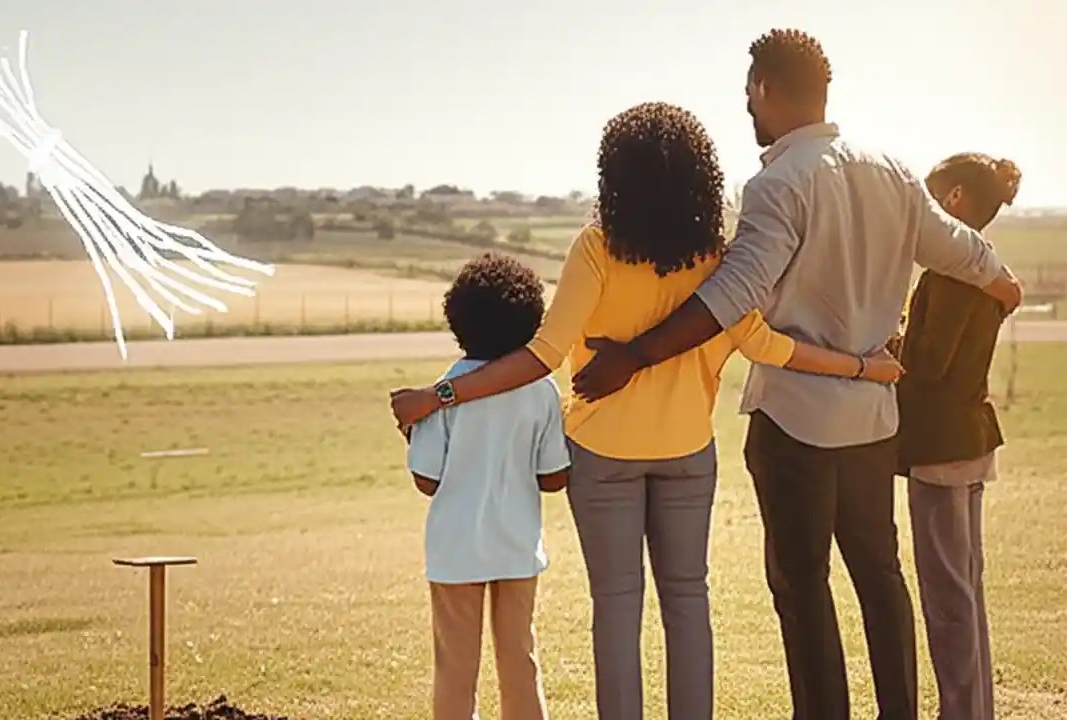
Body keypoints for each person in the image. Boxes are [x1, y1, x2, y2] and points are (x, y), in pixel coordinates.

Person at [566, 30, 1024, 720]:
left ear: (767, 90)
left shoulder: (779, 183)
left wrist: (634, 355)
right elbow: (964, 252)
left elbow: (731, 295)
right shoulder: (892, 170)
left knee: (803, 590)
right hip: (873, 421)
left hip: (795, 427)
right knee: (881, 578)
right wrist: (1004, 283)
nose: (748, 106)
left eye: (750, 92)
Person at [392, 102, 903, 720]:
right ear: (700, 178)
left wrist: (440, 395)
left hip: (602, 455)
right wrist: (862, 367)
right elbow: (771, 348)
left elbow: (541, 356)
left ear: (616, 175)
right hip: (688, 453)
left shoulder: (597, 248)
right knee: (689, 604)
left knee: (616, 609)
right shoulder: (719, 255)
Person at [406, 252, 571, 720]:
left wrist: (411, 434)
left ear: (459, 319)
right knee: (520, 658)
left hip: (456, 549)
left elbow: (427, 480)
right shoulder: (540, 389)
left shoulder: (445, 390)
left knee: (456, 667)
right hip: (517, 546)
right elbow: (554, 478)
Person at [898, 154, 1021, 720]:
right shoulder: (988, 268)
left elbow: (928, 363)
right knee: (966, 593)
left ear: (952, 202)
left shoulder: (951, 274)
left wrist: (883, 345)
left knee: (948, 600)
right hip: (969, 439)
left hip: (941, 446)